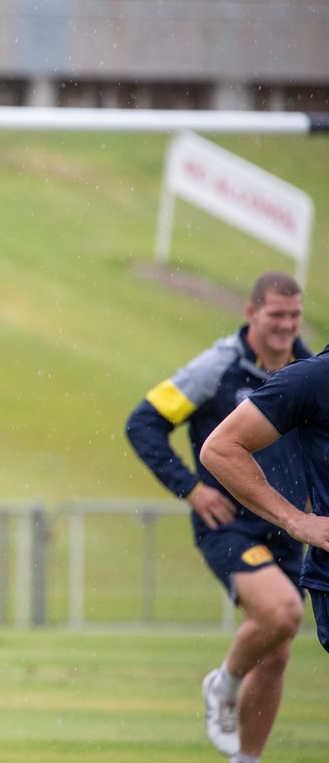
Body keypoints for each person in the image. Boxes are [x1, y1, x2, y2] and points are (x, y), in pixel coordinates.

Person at [125, 271, 310, 763]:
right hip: (229, 524)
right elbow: (143, 422)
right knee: (283, 612)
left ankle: (245, 759)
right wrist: (190, 488)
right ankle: (222, 683)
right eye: (276, 314)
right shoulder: (216, 368)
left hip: (291, 528)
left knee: (278, 652)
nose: (286, 325)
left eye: (294, 315)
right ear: (251, 313)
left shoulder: (309, 369)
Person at [203, 345, 329, 663]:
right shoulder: (313, 377)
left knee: (276, 650)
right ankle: (225, 688)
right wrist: (295, 520)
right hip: (237, 532)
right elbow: (220, 448)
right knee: (279, 620)